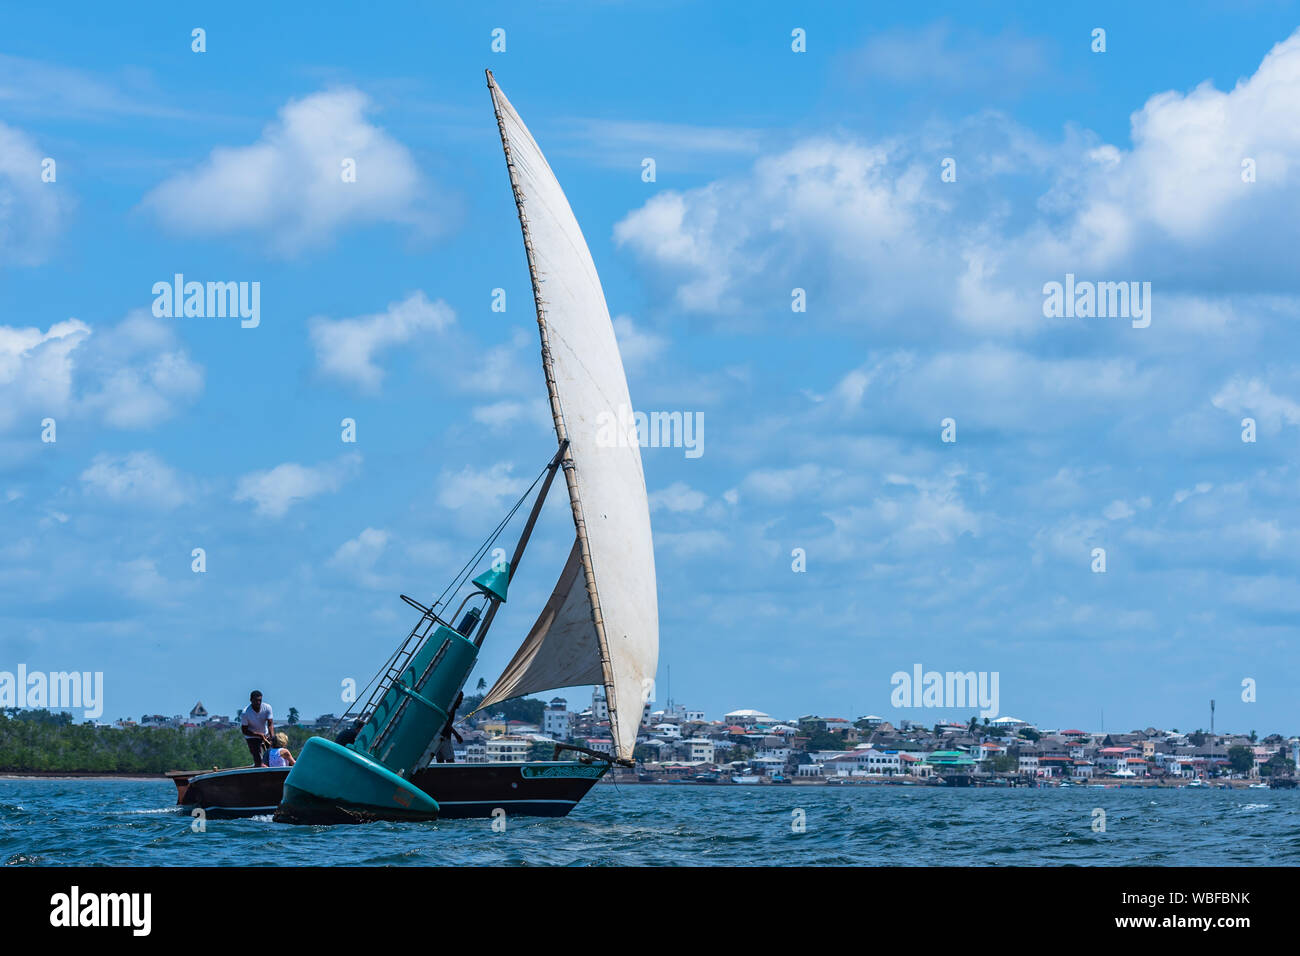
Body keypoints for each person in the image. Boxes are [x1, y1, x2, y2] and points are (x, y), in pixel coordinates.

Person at [240, 690, 274, 767]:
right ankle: (259, 767)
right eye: (256, 700)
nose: (258, 702)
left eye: (260, 700)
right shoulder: (245, 713)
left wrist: (272, 737)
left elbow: (270, 724)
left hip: (265, 734)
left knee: (272, 755)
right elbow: (244, 731)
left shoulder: (267, 707)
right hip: (251, 736)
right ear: (251, 700)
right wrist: (258, 734)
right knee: (258, 759)